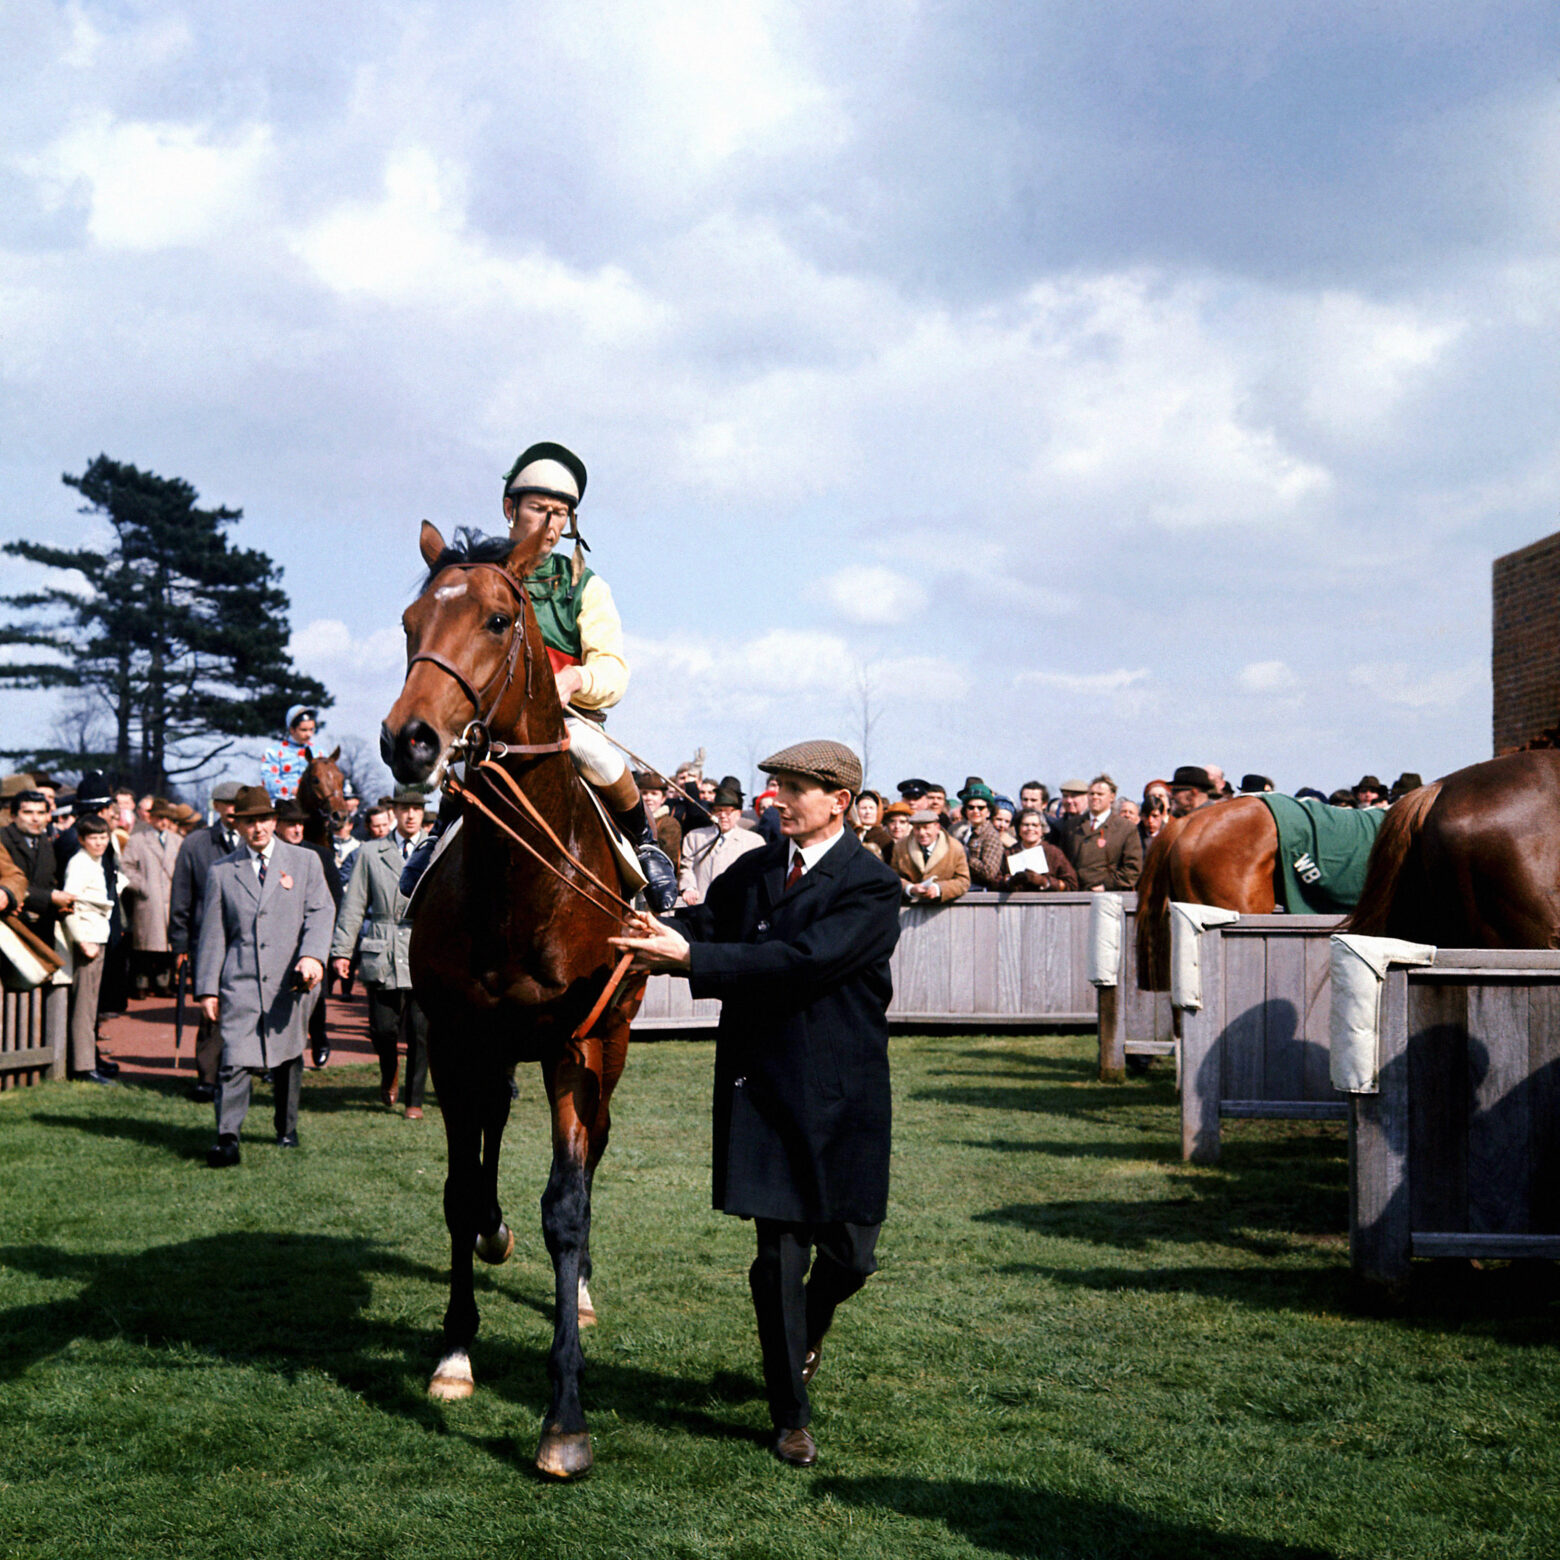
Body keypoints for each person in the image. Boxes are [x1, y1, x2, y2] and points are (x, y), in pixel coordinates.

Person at [609, 739, 901, 1470]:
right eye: (775, 787)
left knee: (852, 1258)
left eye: (794, 789)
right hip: (764, 1086)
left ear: (839, 802)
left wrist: (693, 960)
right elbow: (709, 928)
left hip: (844, 1096)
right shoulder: (755, 868)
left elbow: (802, 964)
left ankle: (811, 1328)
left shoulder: (869, 886)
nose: (778, 801)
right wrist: (665, 932)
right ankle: (789, 1415)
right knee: (777, 1259)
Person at [401, 442, 677, 910]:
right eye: (539, 510)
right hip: (490, 728)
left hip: (566, 724)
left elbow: (613, 668)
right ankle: (437, 835)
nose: (551, 525)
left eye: (561, 513)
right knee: (462, 763)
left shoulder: (585, 586)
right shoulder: (478, 580)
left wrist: (574, 681)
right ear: (510, 508)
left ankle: (644, 842)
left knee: (598, 754)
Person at [195, 786, 333, 1166]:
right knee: (234, 1060)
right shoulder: (222, 872)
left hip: (292, 982)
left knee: (288, 1057)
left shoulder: (304, 862)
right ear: (237, 825)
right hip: (239, 981)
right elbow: (213, 933)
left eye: (264, 819)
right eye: (249, 821)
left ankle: (285, 1127)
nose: (258, 828)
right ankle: (227, 1137)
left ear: (276, 821)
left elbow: (321, 913)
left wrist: (312, 957)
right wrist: (208, 988)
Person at [332, 792, 429, 1117]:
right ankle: (389, 1073)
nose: (411, 816)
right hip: (382, 948)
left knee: (420, 1031)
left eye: (417, 809)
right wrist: (342, 951)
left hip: (422, 947)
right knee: (381, 1028)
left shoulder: (436, 847)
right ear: (394, 813)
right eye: (405, 809)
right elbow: (354, 905)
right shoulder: (370, 852)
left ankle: (414, 1099)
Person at [168, 780, 244, 1101]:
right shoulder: (195, 844)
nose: (233, 810)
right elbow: (181, 898)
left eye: (239, 804)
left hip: (247, 940)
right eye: (226, 804)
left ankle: (245, 1071)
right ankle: (208, 1077)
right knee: (210, 1010)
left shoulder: (259, 842)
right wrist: (180, 946)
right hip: (207, 940)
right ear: (215, 807)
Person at [276, 799, 345, 1069]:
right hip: (279, 937)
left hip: (314, 936)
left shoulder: (320, 855)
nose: (296, 829)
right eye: (290, 824)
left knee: (315, 995)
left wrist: (324, 935)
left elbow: (335, 898)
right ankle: (278, 1057)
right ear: (277, 826)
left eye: (300, 824)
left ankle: (319, 1038)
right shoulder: (271, 856)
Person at [61, 813, 122, 1083]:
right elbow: (67, 904)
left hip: (98, 936)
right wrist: (82, 941)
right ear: (82, 839)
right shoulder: (80, 864)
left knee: (91, 1005)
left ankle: (87, 1061)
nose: (99, 843)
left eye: (103, 837)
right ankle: (83, 1066)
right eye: (93, 838)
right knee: (84, 1007)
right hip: (87, 939)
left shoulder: (96, 862)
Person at [119, 797, 183, 998]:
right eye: (159, 817)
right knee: (144, 946)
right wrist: (141, 885)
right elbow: (125, 867)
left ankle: (163, 982)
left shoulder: (177, 841)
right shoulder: (138, 840)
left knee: (167, 945)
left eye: (166, 818)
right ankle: (141, 984)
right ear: (151, 818)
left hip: (170, 898)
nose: (163, 821)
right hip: (148, 899)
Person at [1, 784, 72, 950]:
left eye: (41, 813)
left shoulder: (45, 841)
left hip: (42, 929)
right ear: (13, 815)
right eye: (28, 812)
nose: (35, 819)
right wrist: (50, 898)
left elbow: (48, 880)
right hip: (10, 929)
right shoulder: (3, 840)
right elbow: (13, 884)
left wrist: (59, 907)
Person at [678, 776, 765, 906]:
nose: (723, 816)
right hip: (699, 904)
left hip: (736, 907)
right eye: (719, 811)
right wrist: (689, 887)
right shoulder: (695, 837)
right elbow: (686, 867)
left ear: (739, 813)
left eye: (729, 811)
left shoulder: (754, 842)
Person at [1068, 775, 1143, 891]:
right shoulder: (1072, 826)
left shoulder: (1126, 828)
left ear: (1112, 797)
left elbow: (1133, 868)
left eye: (1100, 794)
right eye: (1091, 794)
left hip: (1109, 894)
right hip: (1076, 893)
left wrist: (1106, 886)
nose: (1095, 797)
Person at [892, 807, 970, 903]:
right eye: (917, 828)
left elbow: (963, 881)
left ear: (937, 827)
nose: (922, 833)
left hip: (943, 908)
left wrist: (939, 889)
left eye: (926, 828)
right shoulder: (900, 847)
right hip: (910, 908)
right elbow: (893, 877)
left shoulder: (955, 848)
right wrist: (910, 888)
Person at [1004, 809, 1078, 890]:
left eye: (1034, 825)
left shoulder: (1053, 853)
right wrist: (1008, 881)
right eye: (1025, 825)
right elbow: (996, 881)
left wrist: (1044, 881)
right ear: (1019, 829)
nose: (1030, 828)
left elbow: (1072, 884)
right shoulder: (1010, 853)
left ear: (1042, 829)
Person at [263, 704, 320, 804]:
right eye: (304, 730)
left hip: (313, 805)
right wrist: (293, 790)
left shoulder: (319, 752)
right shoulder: (274, 752)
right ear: (292, 729)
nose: (309, 734)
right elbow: (268, 782)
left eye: (311, 729)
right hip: (284, 804)